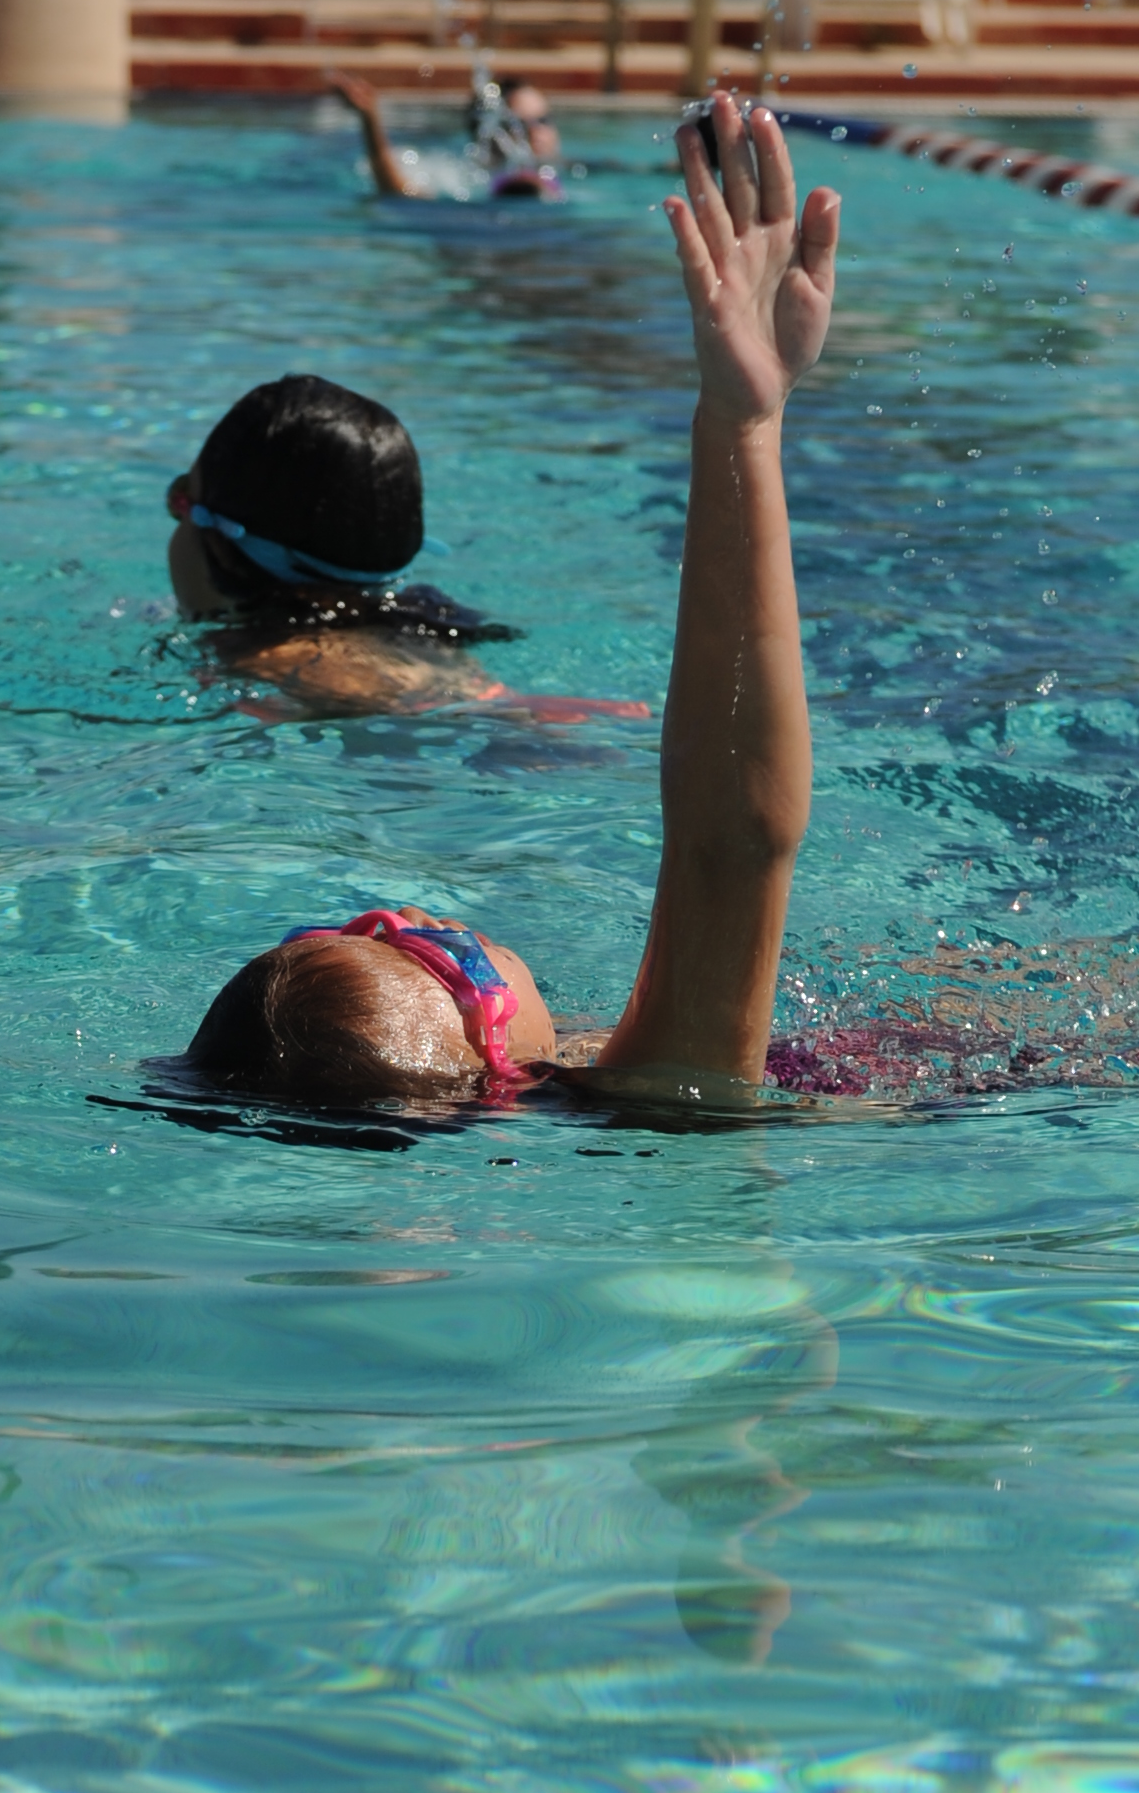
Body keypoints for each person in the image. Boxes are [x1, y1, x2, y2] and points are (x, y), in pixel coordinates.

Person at [188, 87, 829, 1104]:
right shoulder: (668, 1092)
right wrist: (741, 427)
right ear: (498, 1071)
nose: (414, 910)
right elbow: (730, 837)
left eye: (352, 925)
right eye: (445, 956)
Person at [169, 368, 642, 727]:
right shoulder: (415, 617)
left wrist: (509, 714)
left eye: (179, 498)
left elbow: (453, 710)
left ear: (221, 539)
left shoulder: (276, 660)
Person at [333, 69, 563, 204]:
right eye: (520, 125)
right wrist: (371, 121)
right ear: (490, 131)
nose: (537, 132)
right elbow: (402, 195)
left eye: (543, 121)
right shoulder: (464, 181)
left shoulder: (576, 169)